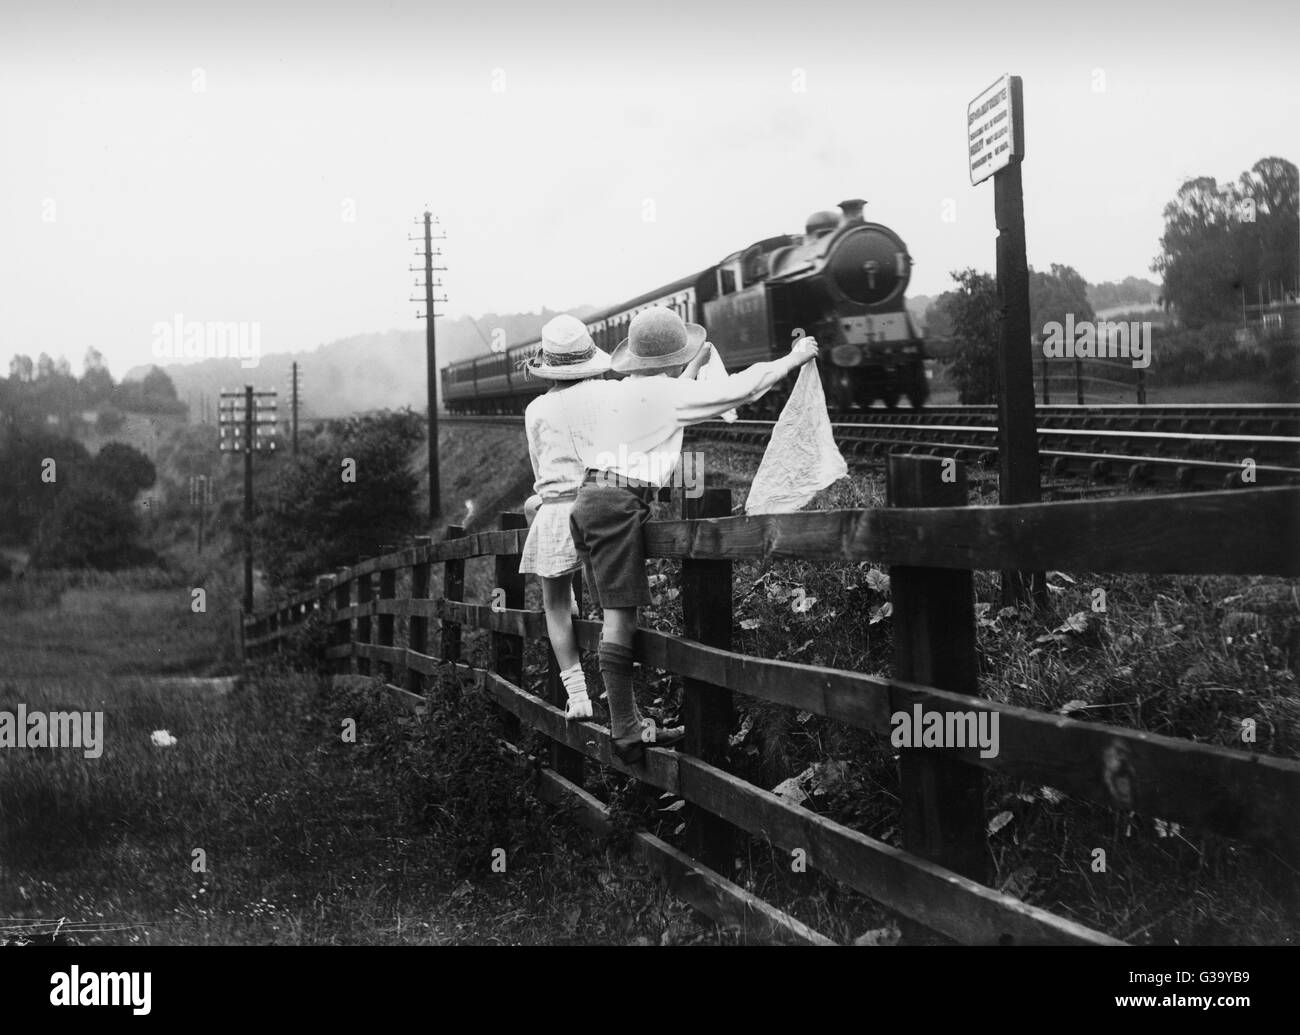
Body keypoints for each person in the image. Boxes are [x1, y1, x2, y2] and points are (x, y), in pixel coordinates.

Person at [568, 305, 820, 763]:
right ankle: (624, 731)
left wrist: (696, 366)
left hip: (590, 499)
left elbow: (670, 391)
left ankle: (629, 720)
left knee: (612, 615)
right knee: (619, 619)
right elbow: (744, 385)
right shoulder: (666, 394)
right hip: (615, 504)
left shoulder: (628, 389)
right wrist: (794, 357)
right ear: (670, 359)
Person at [518, 314, 613, 721]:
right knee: (607, 605)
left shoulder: (535, 409)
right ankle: (618, 693)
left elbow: (540, 473)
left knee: (555, 605)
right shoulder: (607, 394)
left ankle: (578, 695)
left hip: (556, 513)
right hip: (598, 505)